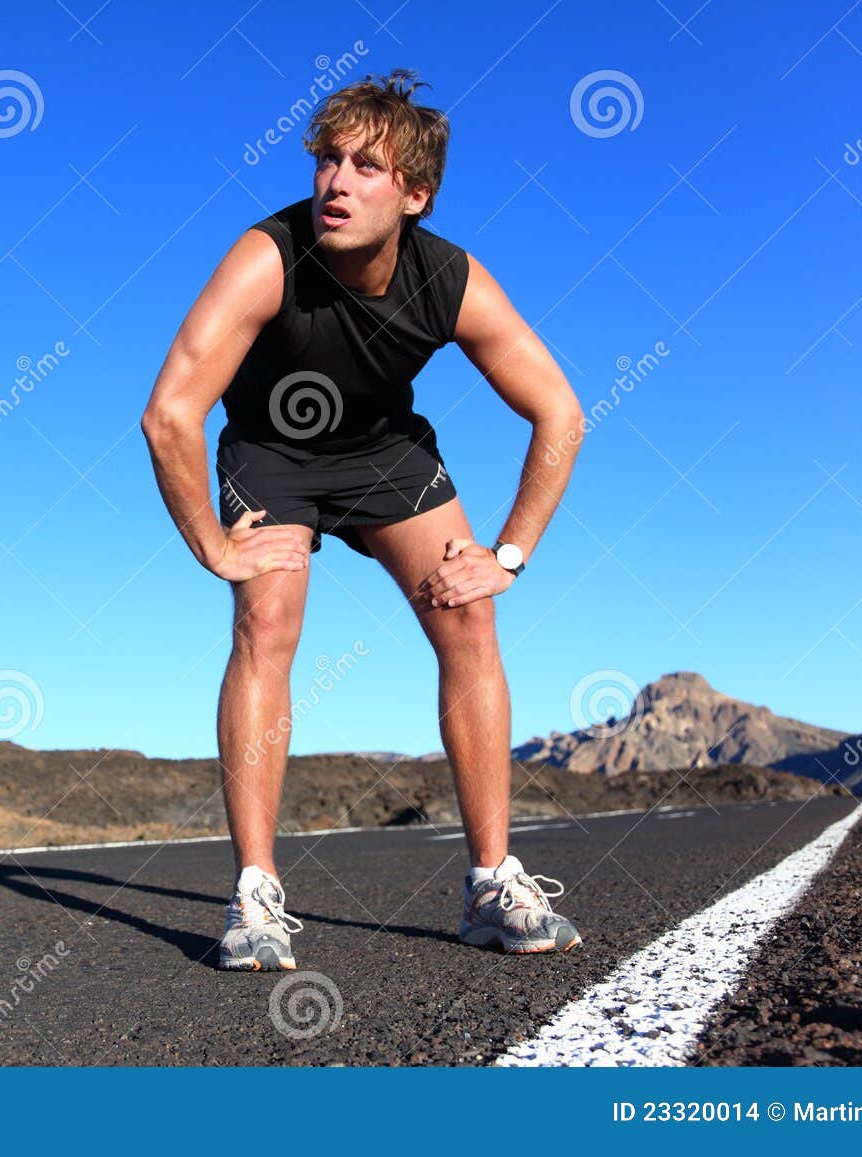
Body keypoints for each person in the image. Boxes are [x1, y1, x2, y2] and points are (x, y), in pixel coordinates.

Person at [140, 69, 588, 970]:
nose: (337, 182)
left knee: (470, 610)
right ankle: (256, 894)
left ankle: (492, 880)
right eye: (328, 161)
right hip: (272, 451)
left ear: (415, 195)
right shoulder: (268, 257)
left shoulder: (449, 279)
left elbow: (561, 414)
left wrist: (510, 552)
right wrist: (214, 547)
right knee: (268, 618)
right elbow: (171, 413)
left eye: (367, 168)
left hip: (383, 452)